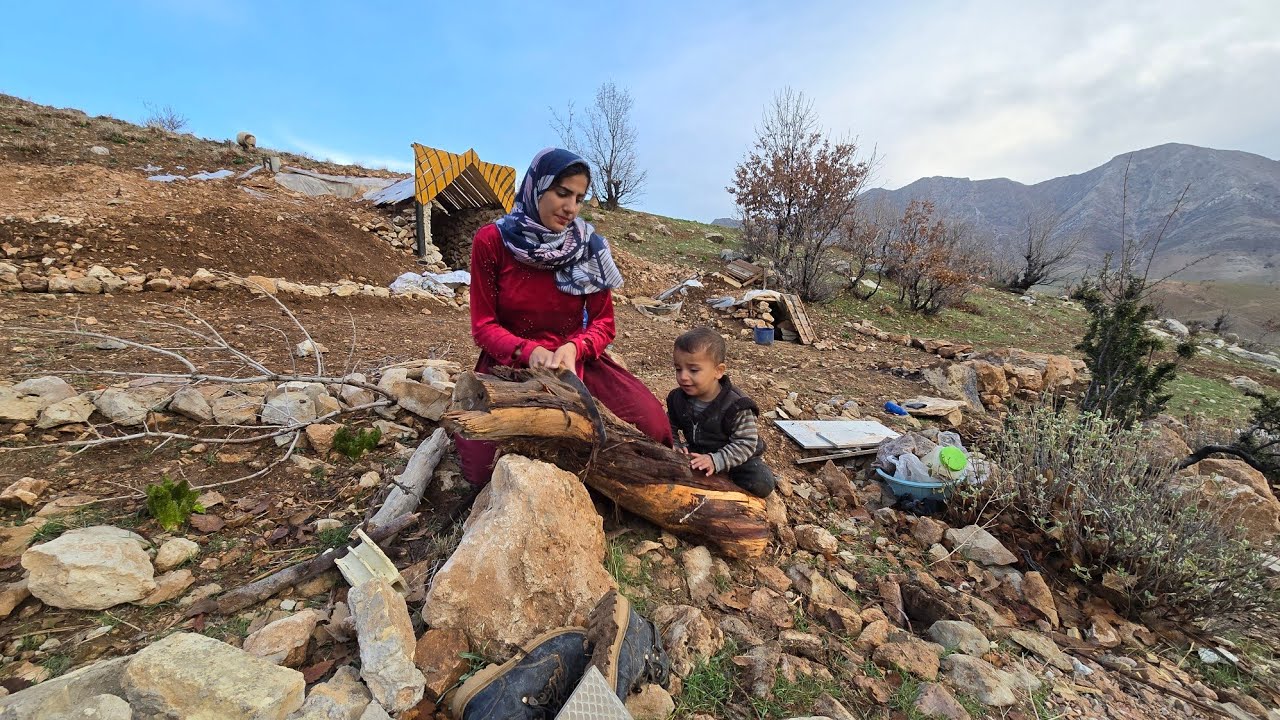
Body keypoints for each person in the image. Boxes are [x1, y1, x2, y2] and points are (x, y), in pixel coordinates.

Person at [456, 147, 673, 486]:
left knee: (654, 428)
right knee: (480, 469)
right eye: (562, 193)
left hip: (573, 362)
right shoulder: (492, 242)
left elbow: (604, 324)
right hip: (510, 363)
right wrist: (528, 352)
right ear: (537, 188)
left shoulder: (589, 246)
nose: (571, 207)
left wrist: (575, 348)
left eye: (579, 197)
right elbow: (484, 326)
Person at [667, 327, 776, 497]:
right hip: (698, 452)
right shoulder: (677, 399)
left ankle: (726, 483)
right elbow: (670, 425)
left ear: (718, 371)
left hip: (736, 459)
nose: (683, 377)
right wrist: (675, 444)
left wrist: (716, 460)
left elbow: (746, 443)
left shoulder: (737, 405)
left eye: (693, 370)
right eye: (678, 369)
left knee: (762, 481)